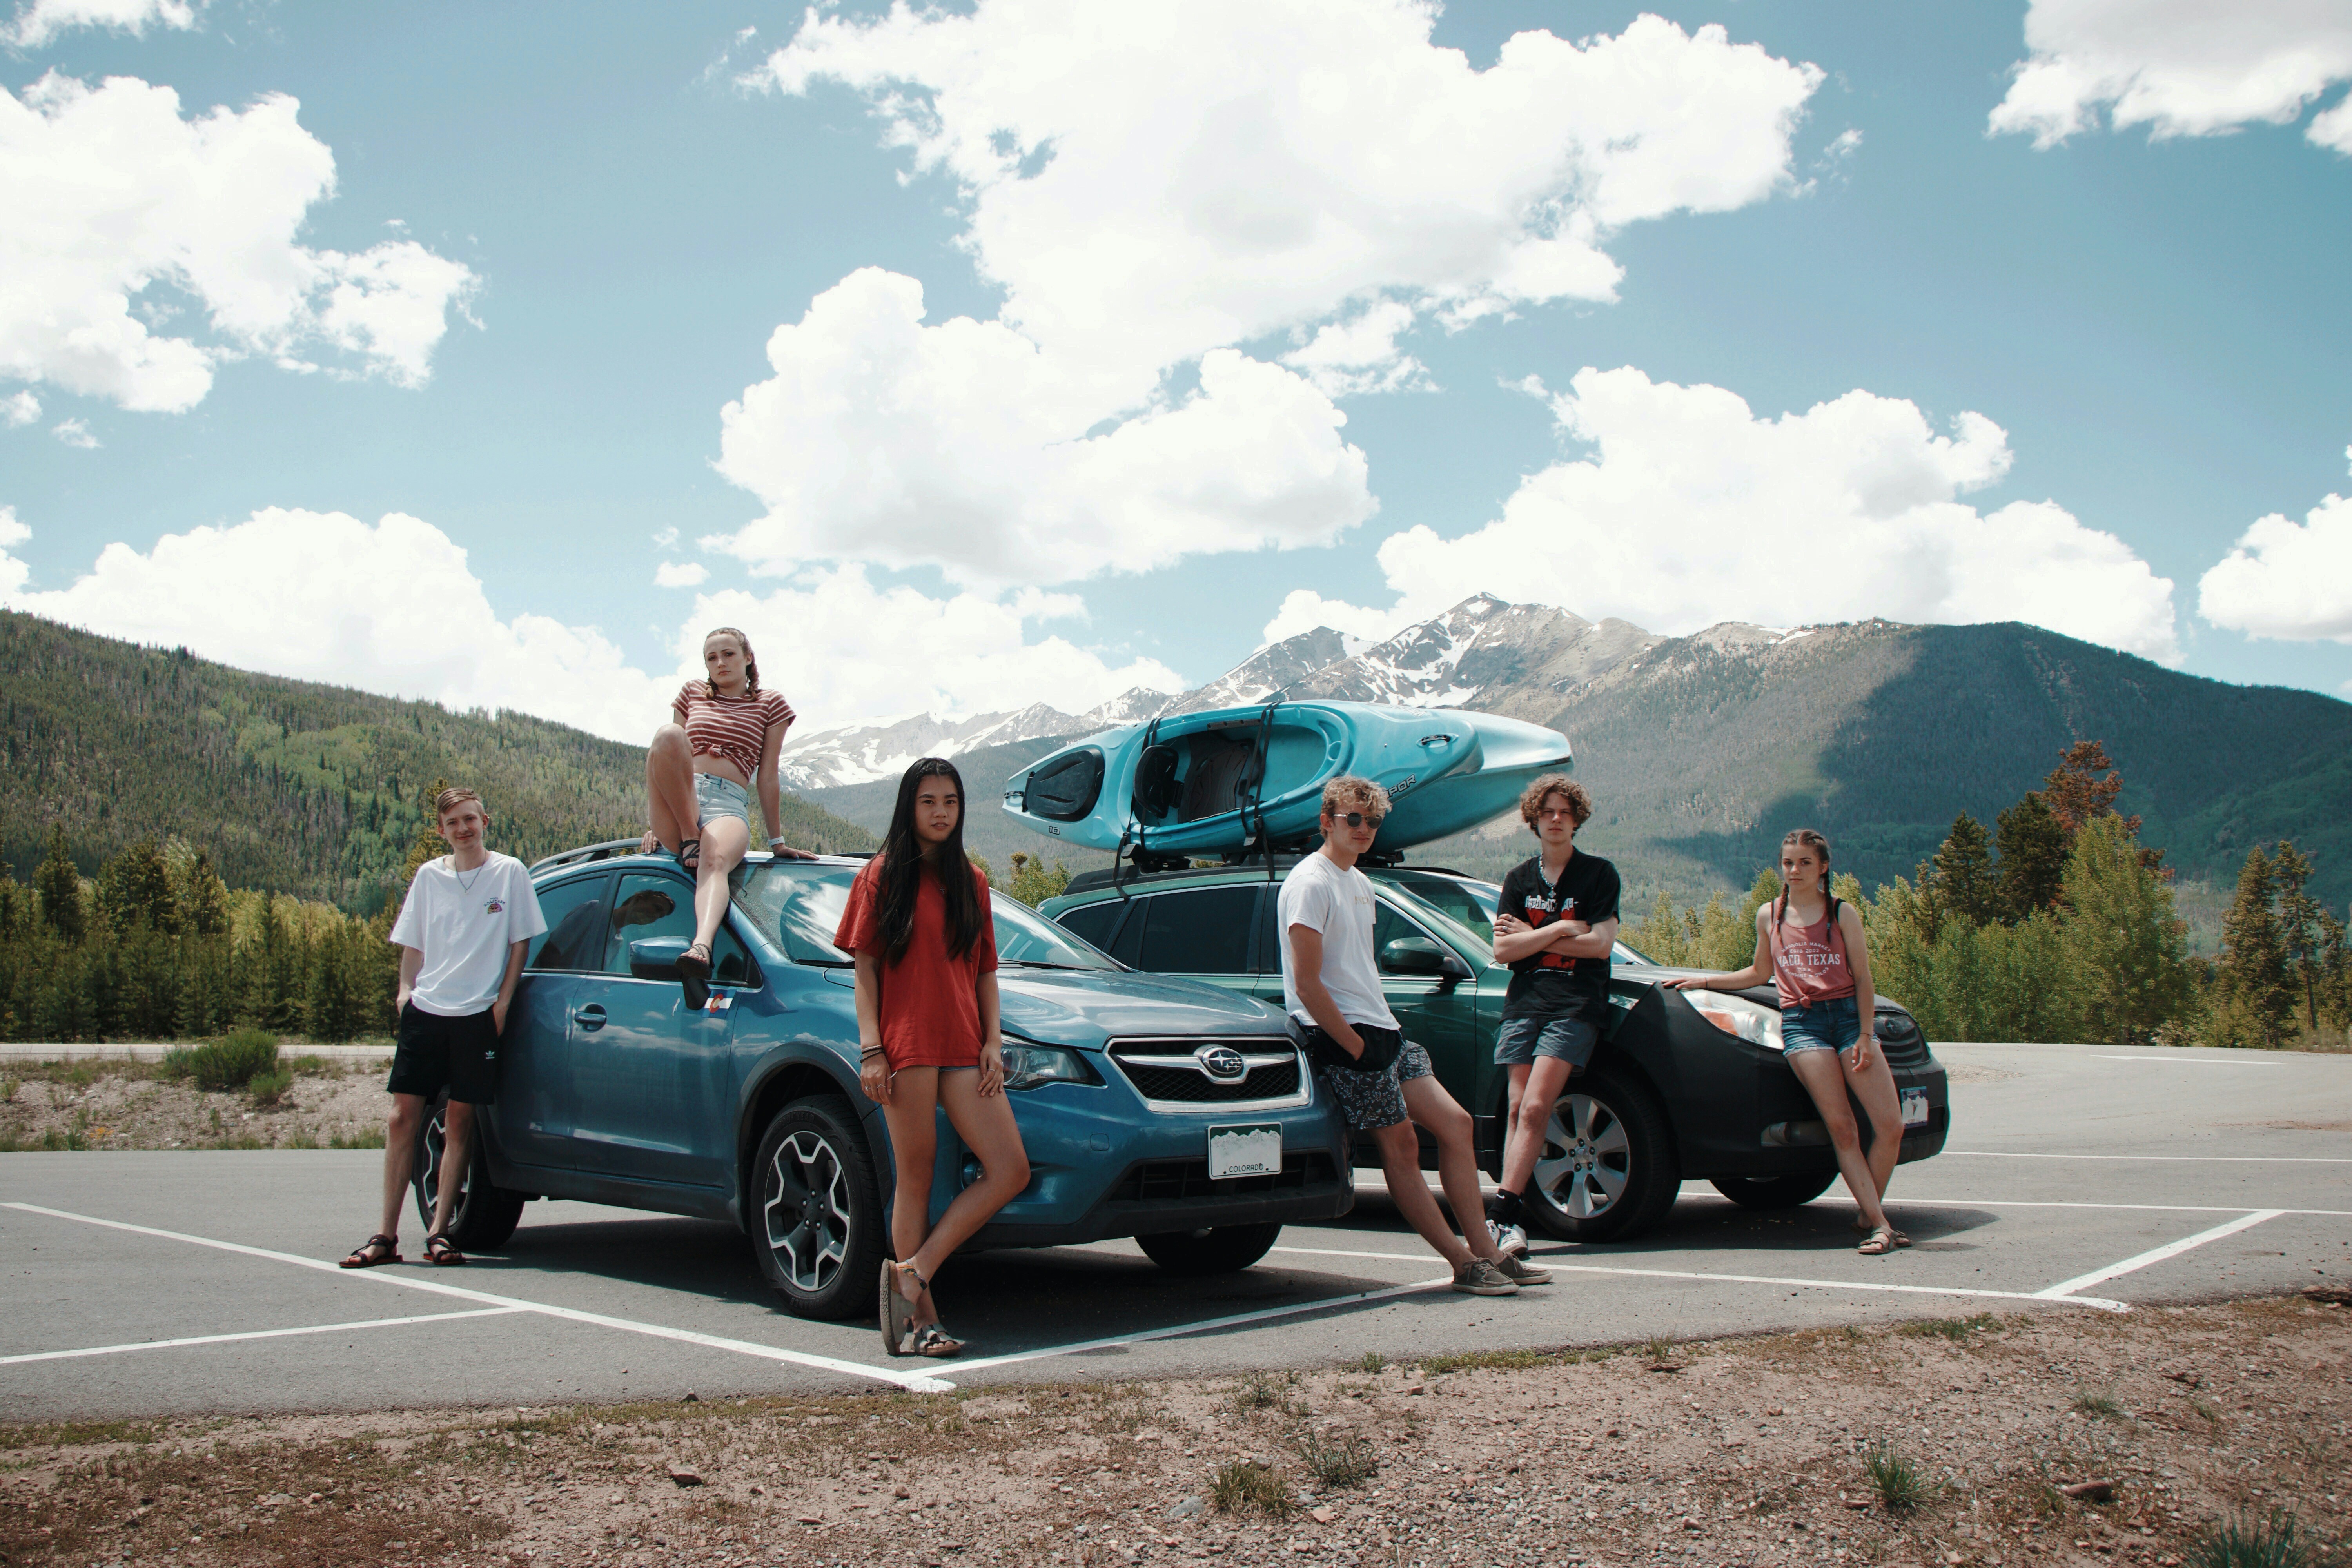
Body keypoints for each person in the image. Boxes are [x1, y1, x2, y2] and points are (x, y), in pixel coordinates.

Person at [1281, 776, 1545, 1296]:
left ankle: (1489, 1253)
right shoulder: (1310, 883)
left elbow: (1357, 968)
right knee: (1400, 1144)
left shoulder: (1358, 882)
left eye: (1372, 821)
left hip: (1385, 1032)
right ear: (1326, 821)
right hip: (1345, 1036)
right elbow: (1308, 985)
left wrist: (1381, 1035)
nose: (1363, 829)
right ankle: (1462, 1263)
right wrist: (1354, 1046)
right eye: (1352, 819)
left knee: (1456, 1124)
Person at [834, 757, 1030, 1357]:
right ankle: (923, 1322)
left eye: (950, 801)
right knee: (915, 1177)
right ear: (908, 807)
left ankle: (912, 1270)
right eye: (928, 802)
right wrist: (872, 1050)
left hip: (965, 1046)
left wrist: (993, 1040)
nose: (941, 812)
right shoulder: (881, 875)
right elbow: (865, 969)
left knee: (1010, 1170)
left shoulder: (971, 880)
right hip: (907, 1045)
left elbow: (986, 971)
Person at [1666, 829, 1909, 1254]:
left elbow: (1864, 978)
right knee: (1844, 1128)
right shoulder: (1770, 915)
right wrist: (1704, 980)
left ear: (1823, 868)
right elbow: (1759, 973)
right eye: (1788, 863)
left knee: (1891, 1126)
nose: (1794, 871)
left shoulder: (1841, 914)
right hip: (1803, 1024)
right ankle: (1880, 1226)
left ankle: (1868, 1216)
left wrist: (1867, 1036)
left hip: (1850, 1020)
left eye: (1804, 863)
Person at [341, 787, 546, 1269]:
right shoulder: (429, 877)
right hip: (427, 1011)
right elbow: (413, 941)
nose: (464, 829)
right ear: (442, 829)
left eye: (471, 819)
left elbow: (520, 943)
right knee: (401, 1119)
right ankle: (385, 1236)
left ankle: (439, 1234)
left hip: (478, 1015)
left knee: (459, 1120)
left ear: (485, 821)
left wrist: (502, 1003)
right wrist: (404, 992)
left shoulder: (509, 872)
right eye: (454, 822)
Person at [1483, 774, 1620, 1258]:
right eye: (1547, 811)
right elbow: (1502, 949)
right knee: (1518, 1109)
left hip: (1574, 1005)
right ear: (1534, 819)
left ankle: (1502, 1213)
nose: (1556, 819)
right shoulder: (1520, 879)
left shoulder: (1599, 875)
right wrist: (1563, 927)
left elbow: (1601, 946)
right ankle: (1506, 1221)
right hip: (1524, 1003)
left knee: (1539, 1107)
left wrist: (1534, 935)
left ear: (1577, 818)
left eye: (1565, 811)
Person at [641, 626, 813, 1008]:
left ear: (747, 657)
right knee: (668, 735)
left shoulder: (770, 704)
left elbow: (768, 775)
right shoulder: (690, 694)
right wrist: (657, 826)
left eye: (728, 654)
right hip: (678, 801)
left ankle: (700, 949)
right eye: (711, 657)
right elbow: (669, 759)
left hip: (727, 804)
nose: (720, 663)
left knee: (714, 859)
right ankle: (688, 834)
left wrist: (777, 842)